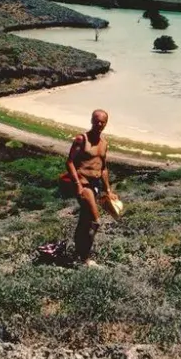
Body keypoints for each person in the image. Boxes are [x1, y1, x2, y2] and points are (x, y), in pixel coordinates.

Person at [66, 109, 115, 267]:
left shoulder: (104, 143)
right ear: (91, 121)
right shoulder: (82, 139)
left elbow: (104, 168)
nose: (99, 124)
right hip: (83, 183)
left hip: (95, 185)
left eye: (103, 122)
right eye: (97, 121)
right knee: (95, 220)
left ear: (106, 124)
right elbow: (70, 162)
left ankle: (78, 254)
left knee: (84, 220)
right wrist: (78, 185)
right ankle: (85, 258)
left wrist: (108, 190)